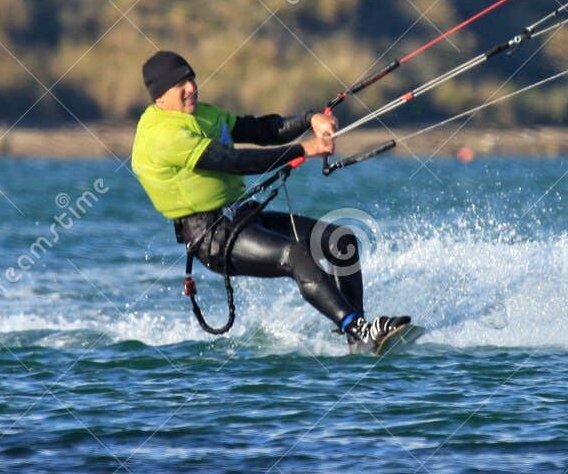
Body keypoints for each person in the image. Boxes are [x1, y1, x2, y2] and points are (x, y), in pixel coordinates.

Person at [130, 50, 410, 350]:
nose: (191, 88)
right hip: (212, 238)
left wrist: (310, 119)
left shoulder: (203, 114)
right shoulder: (161, 135)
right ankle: (359, 329)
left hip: (243, 216)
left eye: (191, 79)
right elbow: (233, 161)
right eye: (179, 85)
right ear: (159, 97)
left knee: (340, 241)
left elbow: (260, 130)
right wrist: (303, 150)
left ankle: (359, 337)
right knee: (296, 256)